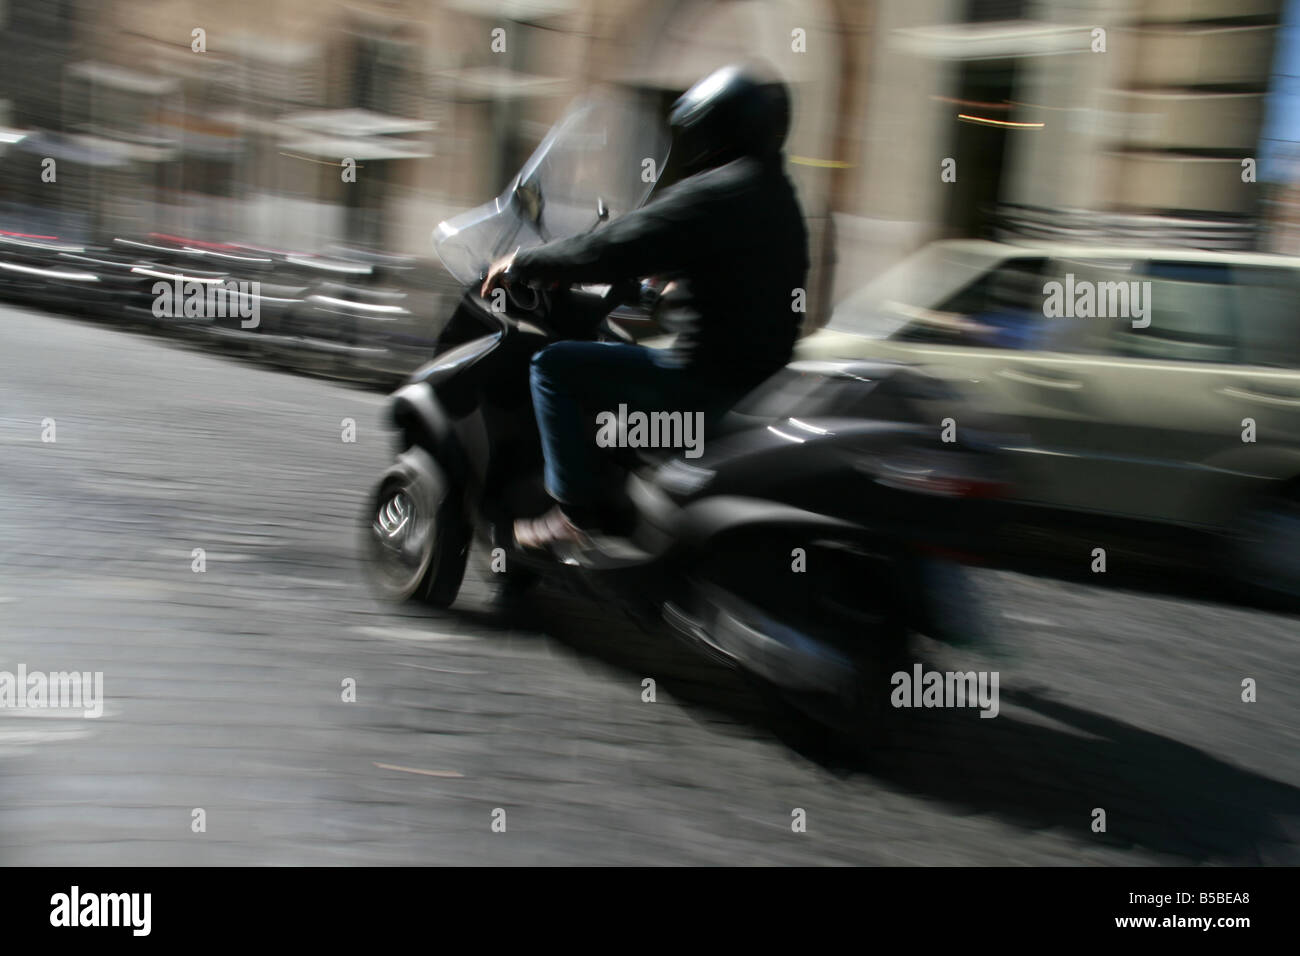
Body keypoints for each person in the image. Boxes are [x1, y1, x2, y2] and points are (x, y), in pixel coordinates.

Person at [481, 63, 810, 550]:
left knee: (554, 368)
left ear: (712, 129)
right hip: (758, 385)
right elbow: (740, 268)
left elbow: (612, 248)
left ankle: (574, 516)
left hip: (701, 385)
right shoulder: (779, 197)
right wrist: (678, 282)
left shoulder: (714, 191)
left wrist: (524, 262)